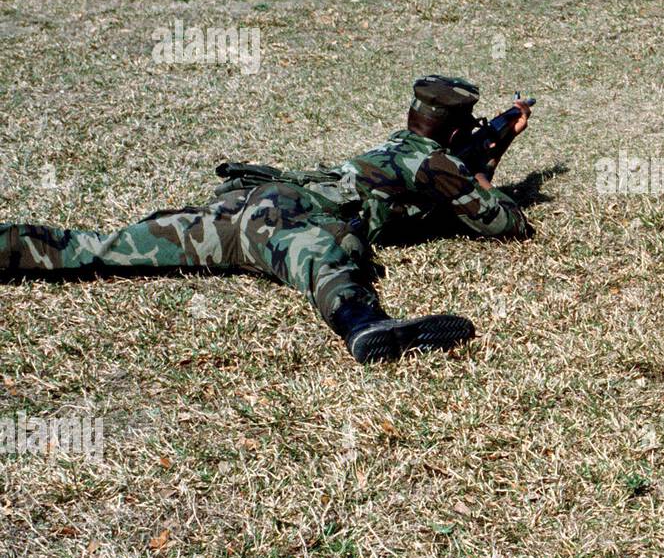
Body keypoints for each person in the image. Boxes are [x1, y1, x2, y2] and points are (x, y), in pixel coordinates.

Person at [0, 76, 532, 363]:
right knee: (324, 261)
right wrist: (488, 161)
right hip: (292, 218)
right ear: (457, 129)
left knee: (109, 245)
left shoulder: (401, 146)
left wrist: (487, 149)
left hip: (246, 207)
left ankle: (10, 246)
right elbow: (506, 224)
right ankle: (364, 327)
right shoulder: (437, 164)